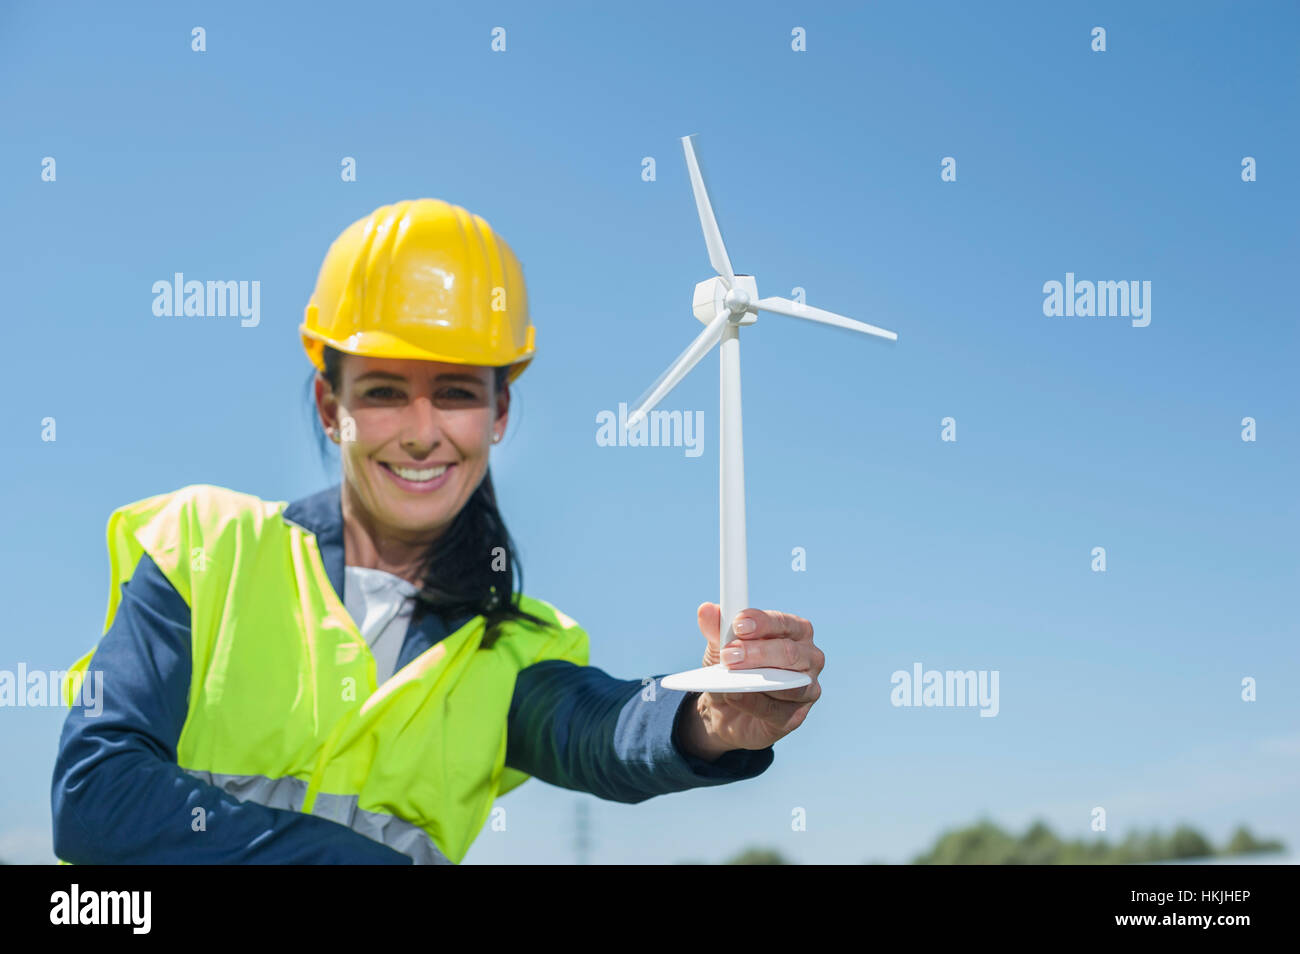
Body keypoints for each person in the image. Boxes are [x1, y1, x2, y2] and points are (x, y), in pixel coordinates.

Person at [50, 198, 824, 865]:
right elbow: (95, 790)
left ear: (499, 415)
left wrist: (707, 718)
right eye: (386, 391)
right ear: (332, 408)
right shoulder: (203, 546)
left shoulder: (517, 648)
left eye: (454, 393)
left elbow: (601, 729)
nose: (422, 433)